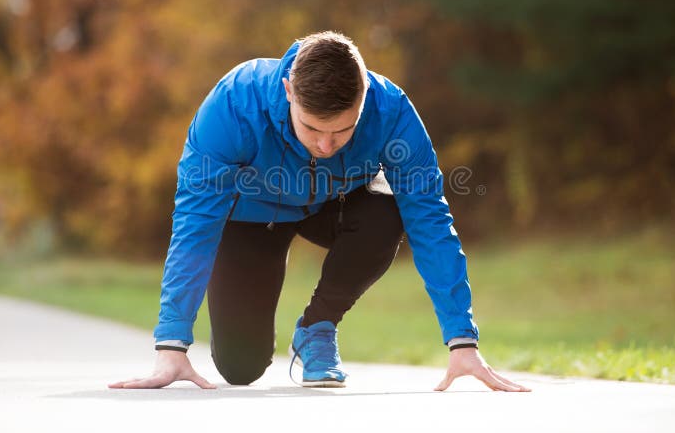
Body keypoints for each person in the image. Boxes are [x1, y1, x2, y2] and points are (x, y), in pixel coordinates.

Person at [108, 31, 530, 392]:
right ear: (290, 90)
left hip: (336, 205)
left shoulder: (390, 111)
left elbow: (431, 220)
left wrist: (462, 341)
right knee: (240, 368)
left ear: (365, 96)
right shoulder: (233, 105)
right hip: (252, 218)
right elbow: (195, 224)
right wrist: (171, 344)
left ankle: (317, 328)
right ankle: (251, 327)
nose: (326, 146)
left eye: (342, 130)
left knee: (392, 208)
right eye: (311, 128)